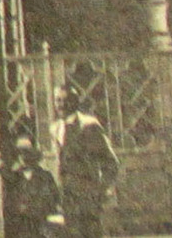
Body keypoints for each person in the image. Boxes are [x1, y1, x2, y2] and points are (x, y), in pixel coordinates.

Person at [54, 86, 119, 238]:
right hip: (67, 200)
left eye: (66, 100)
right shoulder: (56, 128)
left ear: (75, 102)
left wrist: (99, 191)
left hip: (88, 201)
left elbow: (111, 163)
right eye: (58, 100)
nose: (61, 105)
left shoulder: (89, 126)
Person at [2, 138, 58, 238]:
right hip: (19, 227)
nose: (23, 158)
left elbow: (53, 200)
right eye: (20, 155)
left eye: (27, 154)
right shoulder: (12, 178)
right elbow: (9, 206)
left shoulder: (45, 176)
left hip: (39, 225)